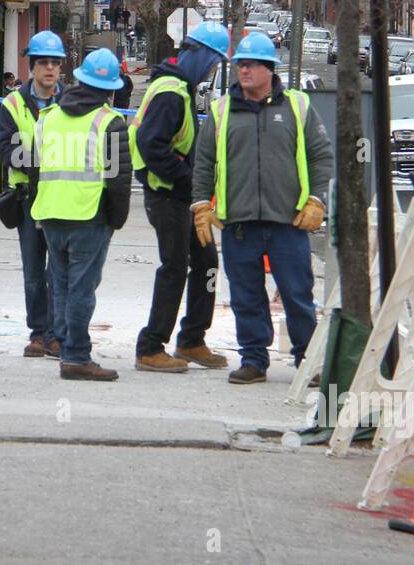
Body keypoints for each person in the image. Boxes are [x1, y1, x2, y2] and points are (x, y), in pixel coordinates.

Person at [190, 32, 333, 385]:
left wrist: (317, 199)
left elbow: (321, 156)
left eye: (251, 65)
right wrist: (200, 205)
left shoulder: (297, 107)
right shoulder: (222, 110)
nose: (244, 71)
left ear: (269, 69)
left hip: (288, 221)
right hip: (239, 223)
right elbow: (204, 161)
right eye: (240, 65)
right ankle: (254, 360)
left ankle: (307, 359)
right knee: (246, 296)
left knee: (297, 294)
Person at [129, 21, 230, 373]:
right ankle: (151, 346)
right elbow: (151, 145)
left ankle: (192, 340)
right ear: (201, 55)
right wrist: (188, 182)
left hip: (180, 196)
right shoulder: (172, 93)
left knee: (206, 264)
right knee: (174, 268)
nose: (214, 69)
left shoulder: (180, 88)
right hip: (168, 196)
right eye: (215, 61)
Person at [30, 47, 132, 381]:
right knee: (81, 290)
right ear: (110, 88)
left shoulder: (47, 118)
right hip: (89, 216)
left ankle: (63, 345)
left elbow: (33, 168)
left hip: (51, 215)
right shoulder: (109, 122)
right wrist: (116, 219)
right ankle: (76, 355)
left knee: (59, 285)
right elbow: (118, 180)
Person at [0, 31, 66, 358]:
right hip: (26, 198)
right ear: (33, 66)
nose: (49, 68)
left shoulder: (70, 103)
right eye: (43, 63)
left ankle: (55, 333)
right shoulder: (13, 104)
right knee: (34, 272)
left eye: (55, 62)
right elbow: (5, 149)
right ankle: (38, 333)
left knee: (59, 271)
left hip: (59, 195)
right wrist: (40, 162)